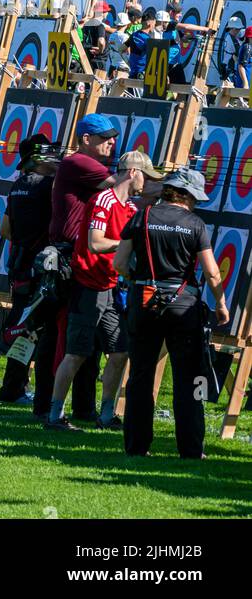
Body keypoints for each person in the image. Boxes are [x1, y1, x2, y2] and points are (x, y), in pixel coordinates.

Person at [116, 169, 226, 459]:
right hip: (183, 303)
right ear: (187, 195)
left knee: (140, 374)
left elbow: (119, 262)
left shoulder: (142, 216)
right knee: (189, 377)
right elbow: (212, 272)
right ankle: (191, 450)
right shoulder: (195, 224)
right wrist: (221, 303)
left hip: (144, 300)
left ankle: (136, 447)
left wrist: (141, 280)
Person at [46, 150, 159, 431]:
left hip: (109, 285)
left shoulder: (131, 209)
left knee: (120, 352)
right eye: (145, 175)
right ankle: (54, 415)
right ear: (133, 172)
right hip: (88, 285)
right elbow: (95, 243)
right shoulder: (103, 201)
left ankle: (106, 415)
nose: (146, 182)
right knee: (76, 354)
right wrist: (127, 244)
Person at [34, 113, 127, 419]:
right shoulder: (80, 163)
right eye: (104, 138)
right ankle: (51, 408)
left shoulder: (83, 163)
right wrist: (143, 173)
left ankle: (80, 408)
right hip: (70, 261)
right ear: (86, 140)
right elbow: (119, 184)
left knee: (83, 341)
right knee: (67, 339)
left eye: (113, 137)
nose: (111, 142)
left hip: (80, 259)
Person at [0, 134, 57, 404]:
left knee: (23, 325)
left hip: (19, 264)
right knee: (29, 329)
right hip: (37, 268)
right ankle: (13, 389)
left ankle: (16, 386)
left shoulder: (19, 184)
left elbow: (6, 230)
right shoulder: (48, 186)